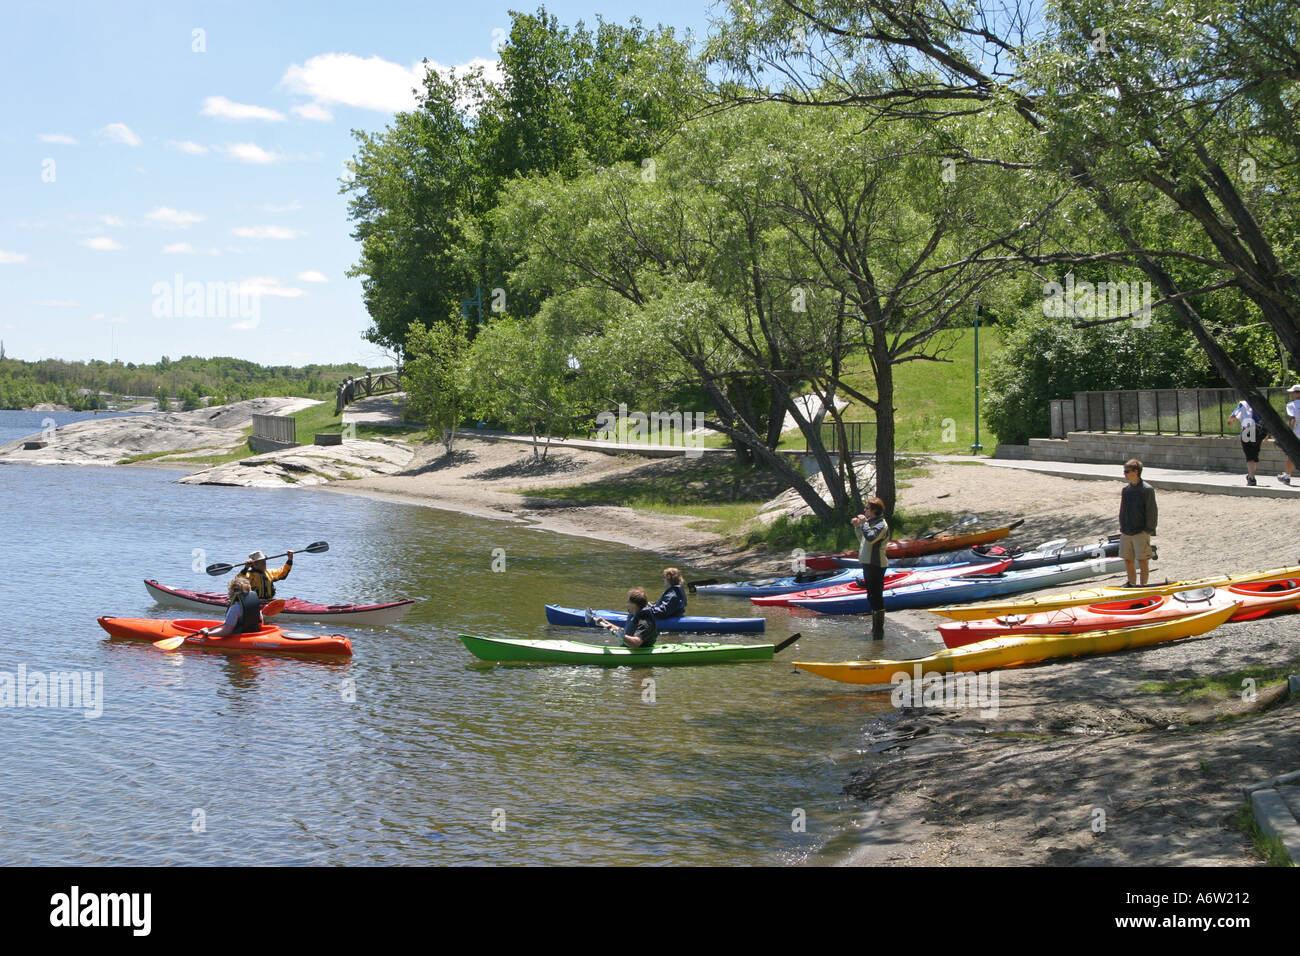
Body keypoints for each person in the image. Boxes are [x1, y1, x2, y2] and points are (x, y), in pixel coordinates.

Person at [852, 497, 890, 640]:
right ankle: (875, 629)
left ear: (874, 510)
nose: (865, 510)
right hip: (867, 563)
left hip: (876, 564)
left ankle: (879, 631)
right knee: (871, 596)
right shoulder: (871, 523)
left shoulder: (881, 524)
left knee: (876, 597)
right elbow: (863, 539)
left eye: (867, 508)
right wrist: (858, 526)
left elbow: (871, 537)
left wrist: (863, 523)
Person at [1119, 459, 1157, 586]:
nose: (1124, 474)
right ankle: (1132, 585)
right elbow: (1122, 510)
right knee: (1128, 561)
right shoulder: (1126, 490)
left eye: (1127, 471)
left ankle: (1143, 586)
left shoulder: (1147, 489)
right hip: (1126, 531)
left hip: (1141, 531)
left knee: (1142, 561)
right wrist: (1122, 526)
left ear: (1136, 472)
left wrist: (1148, 530)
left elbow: (1152, 511)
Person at [194, 577, 263, 639]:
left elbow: (226, 631)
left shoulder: (235, 607)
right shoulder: (255, 604)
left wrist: (207, 633)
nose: (228, 593)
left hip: (239, 636)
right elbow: (260, 622)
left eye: (229, 591)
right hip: (253, 633)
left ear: (233, 592)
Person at [593, 588, 659, 648]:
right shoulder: (634, 615)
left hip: (640, 653)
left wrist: (622, 636)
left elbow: (636, 643)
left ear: (634, 604)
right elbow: (625, 632)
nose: (627, 604)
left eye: (628, 602)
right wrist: (605, 623)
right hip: (630, 649)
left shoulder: (645, 622)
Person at [1228, 398, 1266, 486]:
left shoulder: (1243, 404)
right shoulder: (1260, 404)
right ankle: (1250, 475)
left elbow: (1233, 416)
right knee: (1255, 456)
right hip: (1258, 431)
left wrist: (1231, 420)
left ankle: (1252, 478)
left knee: (1249, 457)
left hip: (1247, 431)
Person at [1279, 384, 1300, 485]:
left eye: (1294, 392)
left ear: (1297, 393)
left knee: (1292, 455)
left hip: (1296, 433)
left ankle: (1287, 476)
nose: (1292, 394)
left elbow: (1292, 419)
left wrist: (1289, 433)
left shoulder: (1291, 405)